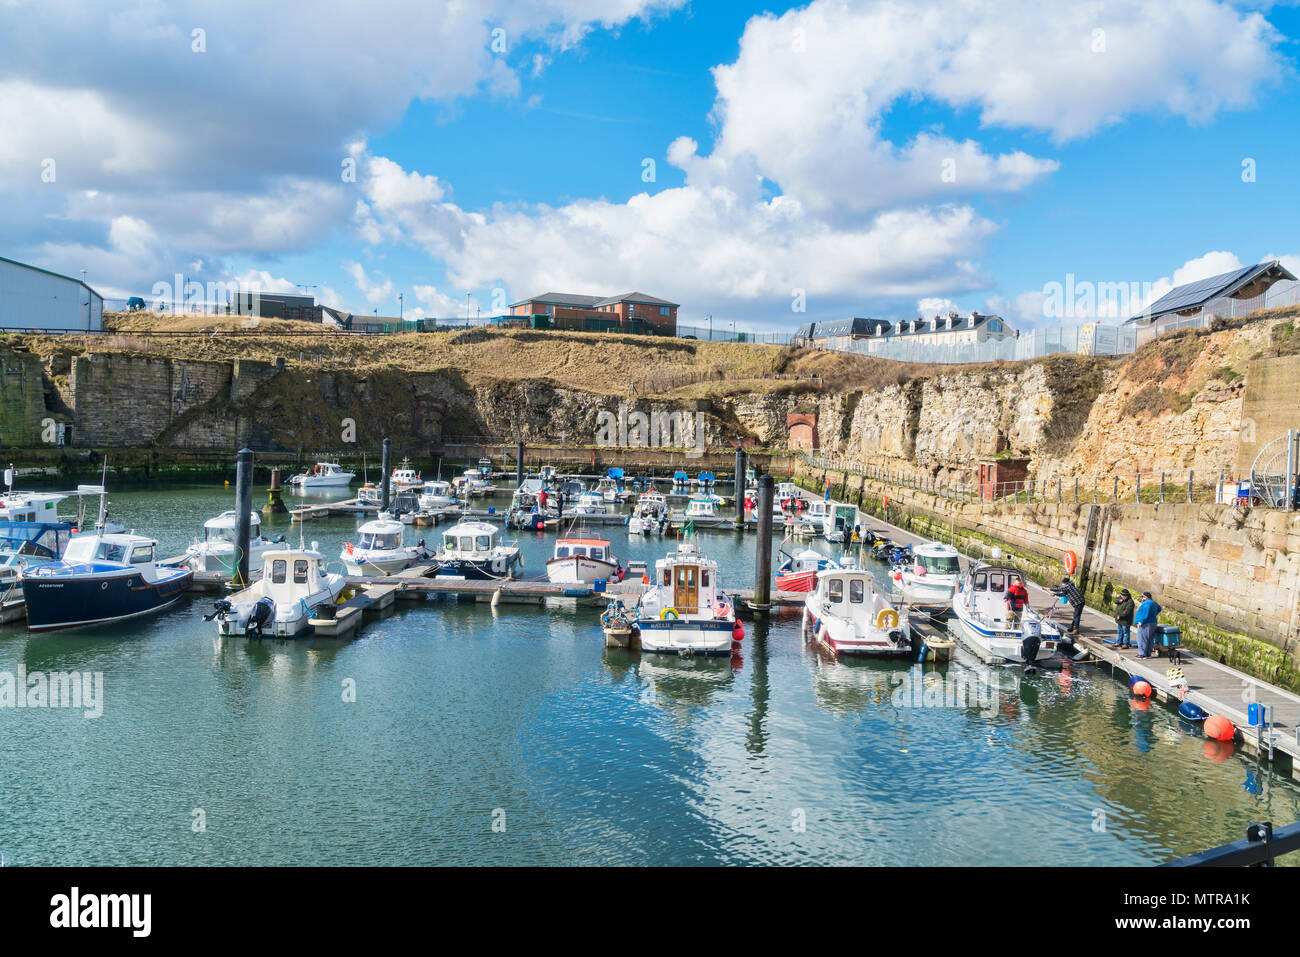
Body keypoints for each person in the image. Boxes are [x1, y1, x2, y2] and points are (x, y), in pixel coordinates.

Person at [1134, 591, 1162, 659]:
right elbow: (1159, 608)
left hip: (1145, 623)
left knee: (1142, 638)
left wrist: (1141, 621)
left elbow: (1146, 613)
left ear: (1146, 597)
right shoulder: (1153, 602)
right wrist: (1154, 614)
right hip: (1153, 622)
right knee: (1150, 639)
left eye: (1142, 597)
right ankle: (1148, 654)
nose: (1142, 598)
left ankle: (1142, 654)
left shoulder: (1147, 603)